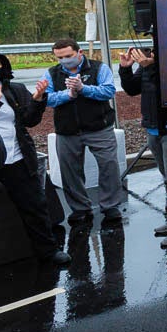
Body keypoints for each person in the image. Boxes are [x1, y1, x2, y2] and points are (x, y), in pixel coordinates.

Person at [40, 39, 123, 225]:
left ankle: (110, 206)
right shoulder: (52, 73)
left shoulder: (98, 68)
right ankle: (80, 208)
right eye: (60, 57)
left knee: (109, 166)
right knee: (70, 172)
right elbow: (46, 98)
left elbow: (109, 91)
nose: (64, 60)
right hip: (67, 130)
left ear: (79, 52)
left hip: (99, 127)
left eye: (68, 56)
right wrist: (68, 94)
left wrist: (83, 89)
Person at [0, 54, 70, 266]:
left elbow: (29, 120)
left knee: (35, 205)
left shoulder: (14, 89)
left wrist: (37, 100)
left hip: (17, 157)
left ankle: (48, 251)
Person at [119, 45, 167, 248]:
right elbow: (132, 89)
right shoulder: (148, 63)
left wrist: (150, 67)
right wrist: (125, 69)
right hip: (153, 128)